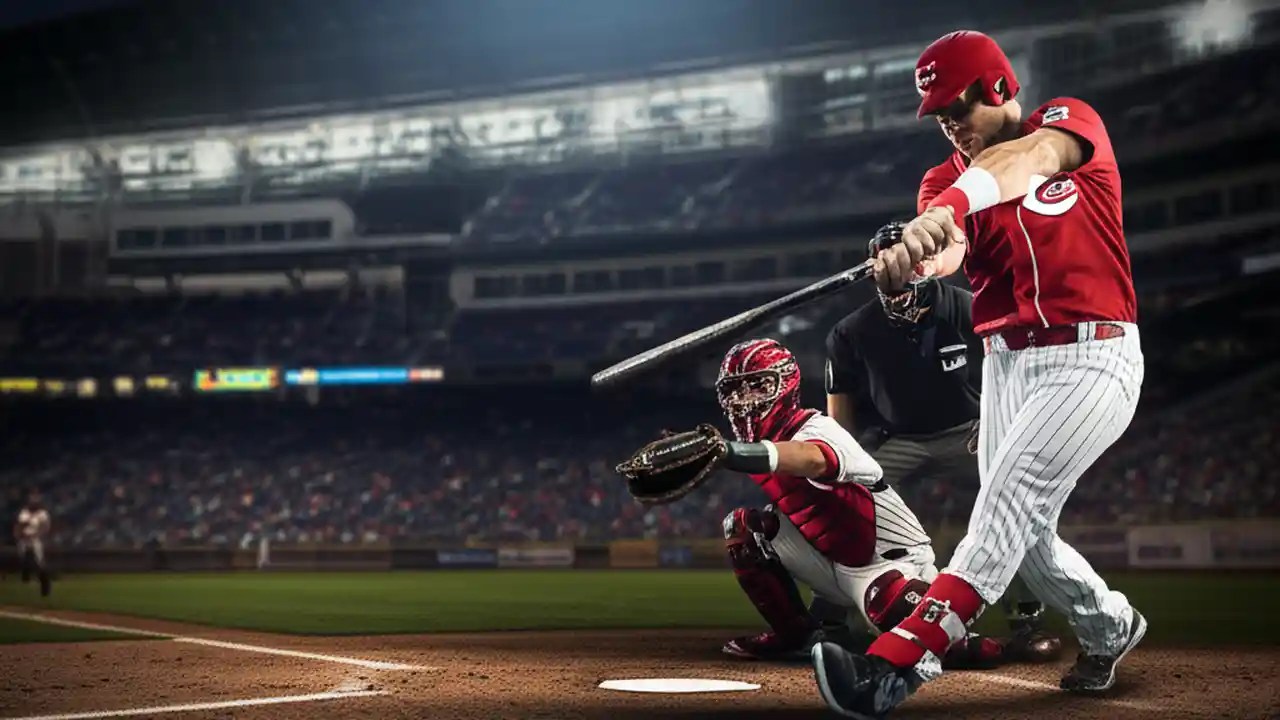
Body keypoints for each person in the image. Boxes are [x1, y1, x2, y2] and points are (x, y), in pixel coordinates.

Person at [812, 30, 1147, 718]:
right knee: (1026, 538)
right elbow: (952, 249)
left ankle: (896, 667)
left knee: (1002, 507)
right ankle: (1111, 626)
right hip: (1007, 364)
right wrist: (920, 256)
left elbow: (1027, 159)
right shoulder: (942, 180)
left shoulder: (1067, 124)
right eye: (938, 117)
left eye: (959, 108)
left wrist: (947, 212)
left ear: (999, 88)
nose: (951, 126)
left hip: (1093, 353)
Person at [819, 221, 1063, 665]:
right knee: (843, 502)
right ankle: (831, 616)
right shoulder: (850, 332)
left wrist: (995, 427)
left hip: (968, 433)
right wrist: (846, 465)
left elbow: (1015, 376)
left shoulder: (969, 309)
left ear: (927, 264)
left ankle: (1027, 618)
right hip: (899, 439)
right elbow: (841, 414)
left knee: (1014, 500)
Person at [710, 338, 1002, 670]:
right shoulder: (757, 447)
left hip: (886, 562)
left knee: (912, 623)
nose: (744, 400)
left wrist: (729, 454)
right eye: (735, 390)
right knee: (743, 528)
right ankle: (795, 636)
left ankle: (952, 628)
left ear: (785, 384)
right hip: (832, 559)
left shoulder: (816, 428)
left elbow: (813, 460)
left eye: (757, 386)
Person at [14, 490, 52, 597]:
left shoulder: (42, 514)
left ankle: (45, 586)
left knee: (40, 562)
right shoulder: (24, 512)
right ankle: (26, 576)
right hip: (24, 539)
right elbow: (19, 525)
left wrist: (36, 534)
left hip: (36, 539)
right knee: (24, 559)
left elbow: (45, 527)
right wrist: (19, 534)